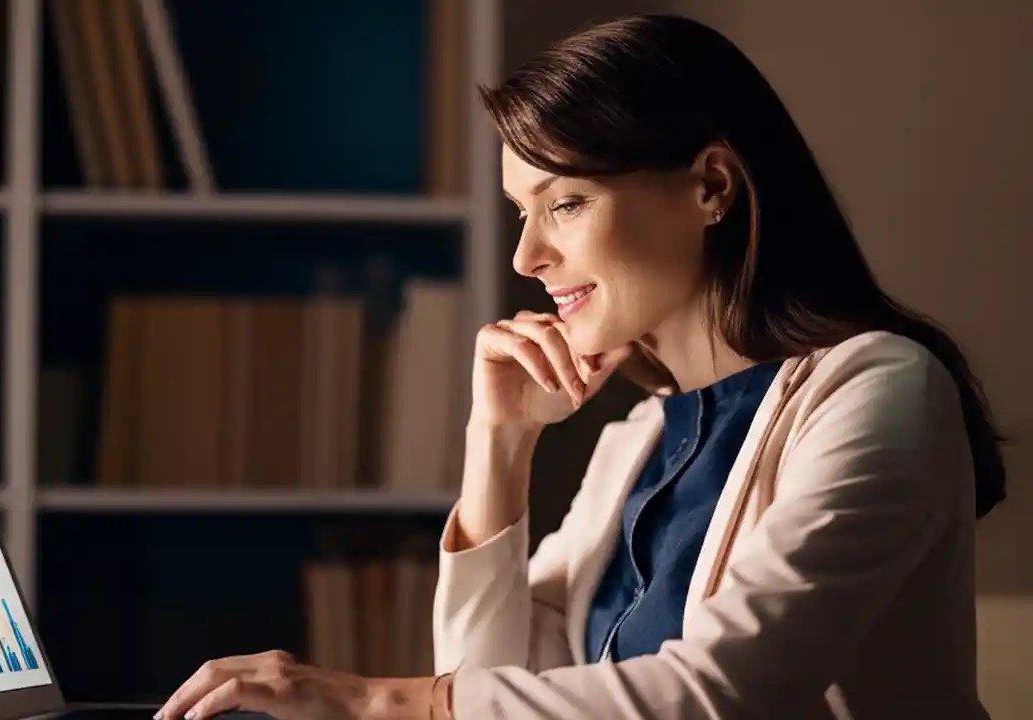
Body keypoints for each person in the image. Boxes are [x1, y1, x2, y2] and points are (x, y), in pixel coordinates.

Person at [154, 13, 1005, 720]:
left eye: (565, 202)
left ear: (712, 186)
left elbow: (725, 694)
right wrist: (500, 446)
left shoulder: (877, 387)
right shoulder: (639, 439)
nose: (527, 256)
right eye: (522, 211)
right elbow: (497, 688)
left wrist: (370, 700)